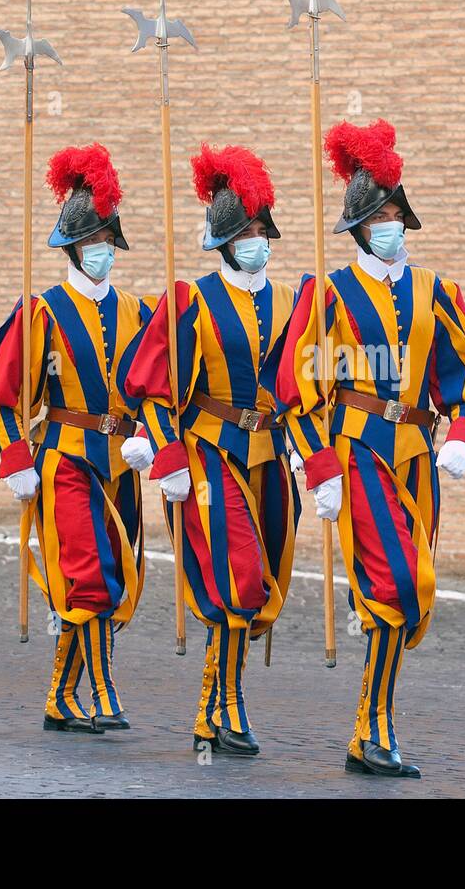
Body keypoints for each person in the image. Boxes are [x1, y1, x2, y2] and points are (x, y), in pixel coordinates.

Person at [275, 119, 465, 778]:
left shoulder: (436, 291)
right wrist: (318, 465)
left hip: (418, 453)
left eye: (397, 211)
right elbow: (299, 387)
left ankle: (373, 731)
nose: (391, 222)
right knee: (402, 584)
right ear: (358, 224)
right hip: (358, 449)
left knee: (403, 598)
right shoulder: (328, 294)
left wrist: (462, 431)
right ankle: (371, 727)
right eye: (379, 214)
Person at [0, 143, 157, 734]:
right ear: (73, 246)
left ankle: (59, 698)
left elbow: (159, 389)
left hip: (121, 459)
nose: (101, 250)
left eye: (107, 239)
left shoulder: (139, 311)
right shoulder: (40, 311)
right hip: (65, 458)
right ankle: (100, 691)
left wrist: (150, 434)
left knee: (109, 577)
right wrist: (15, 458)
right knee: (90, 571)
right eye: (92, 240)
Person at [124, 144, 299, 757]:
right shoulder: (189, 301)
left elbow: (305, 386)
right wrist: (166, 452)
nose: (257, 240)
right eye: (246, 231)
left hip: (272, 454)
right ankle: (222, 707)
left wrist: (310, 449)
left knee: (265, 583)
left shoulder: (292, 301)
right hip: (209, 452)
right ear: (224, 240)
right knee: (238, 576)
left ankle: (216, 708)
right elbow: (149, 387)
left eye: (261, 229)